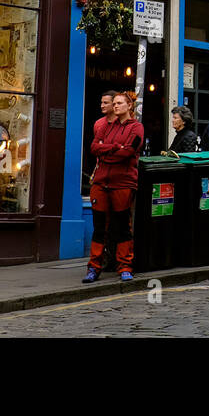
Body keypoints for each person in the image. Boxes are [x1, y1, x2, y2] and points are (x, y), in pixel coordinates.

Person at [84, 91, 145, 283]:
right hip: (101, 182)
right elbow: (94, 148)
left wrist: (108, 151)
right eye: (115, 103)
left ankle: (125, 267)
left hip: (123, 182)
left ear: (129, 106)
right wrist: (114, 148)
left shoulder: (137, 127)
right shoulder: (105, 126)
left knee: (122, 226)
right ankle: (94, 268)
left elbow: (128, 152)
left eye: (119, 103)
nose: (115, 106)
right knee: (99, 227)